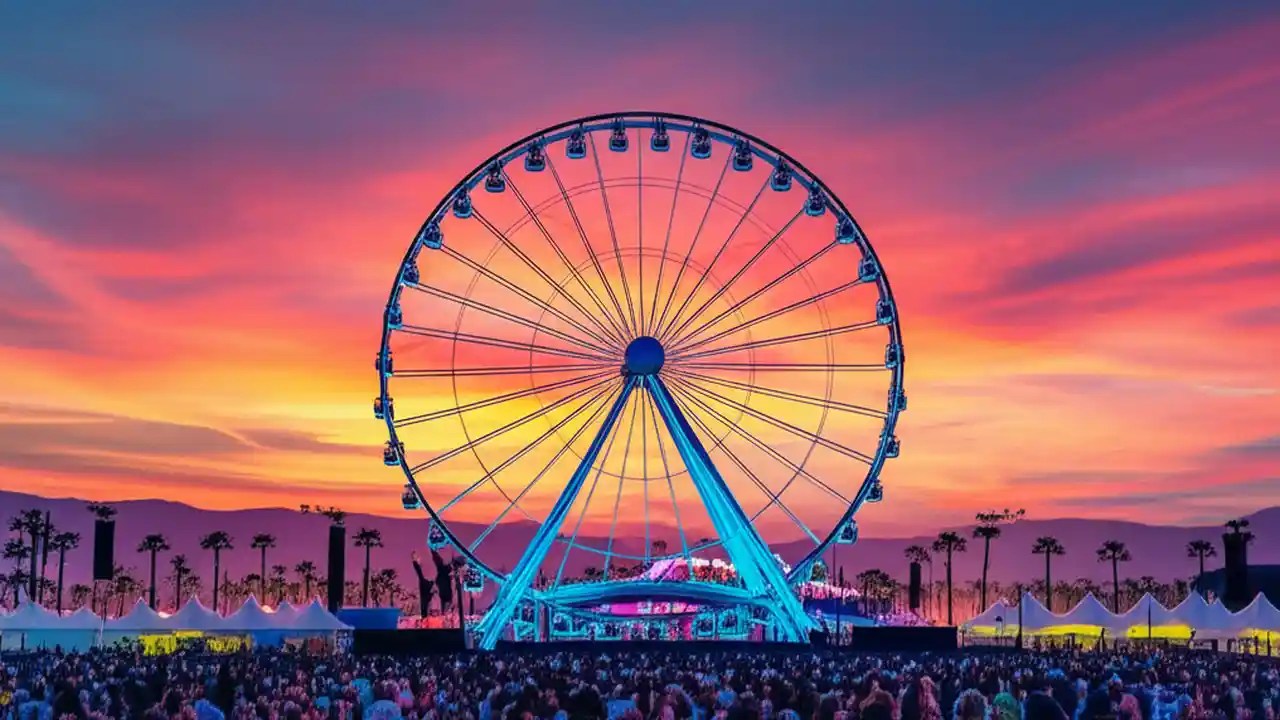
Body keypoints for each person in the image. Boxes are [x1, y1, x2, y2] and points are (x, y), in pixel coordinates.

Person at [410, 552, 436, 620]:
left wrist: (415, 561)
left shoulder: (426, 583)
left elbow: (419, 573)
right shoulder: (426, 583)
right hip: (426, 596)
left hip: (425, 596)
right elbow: (419, 572)